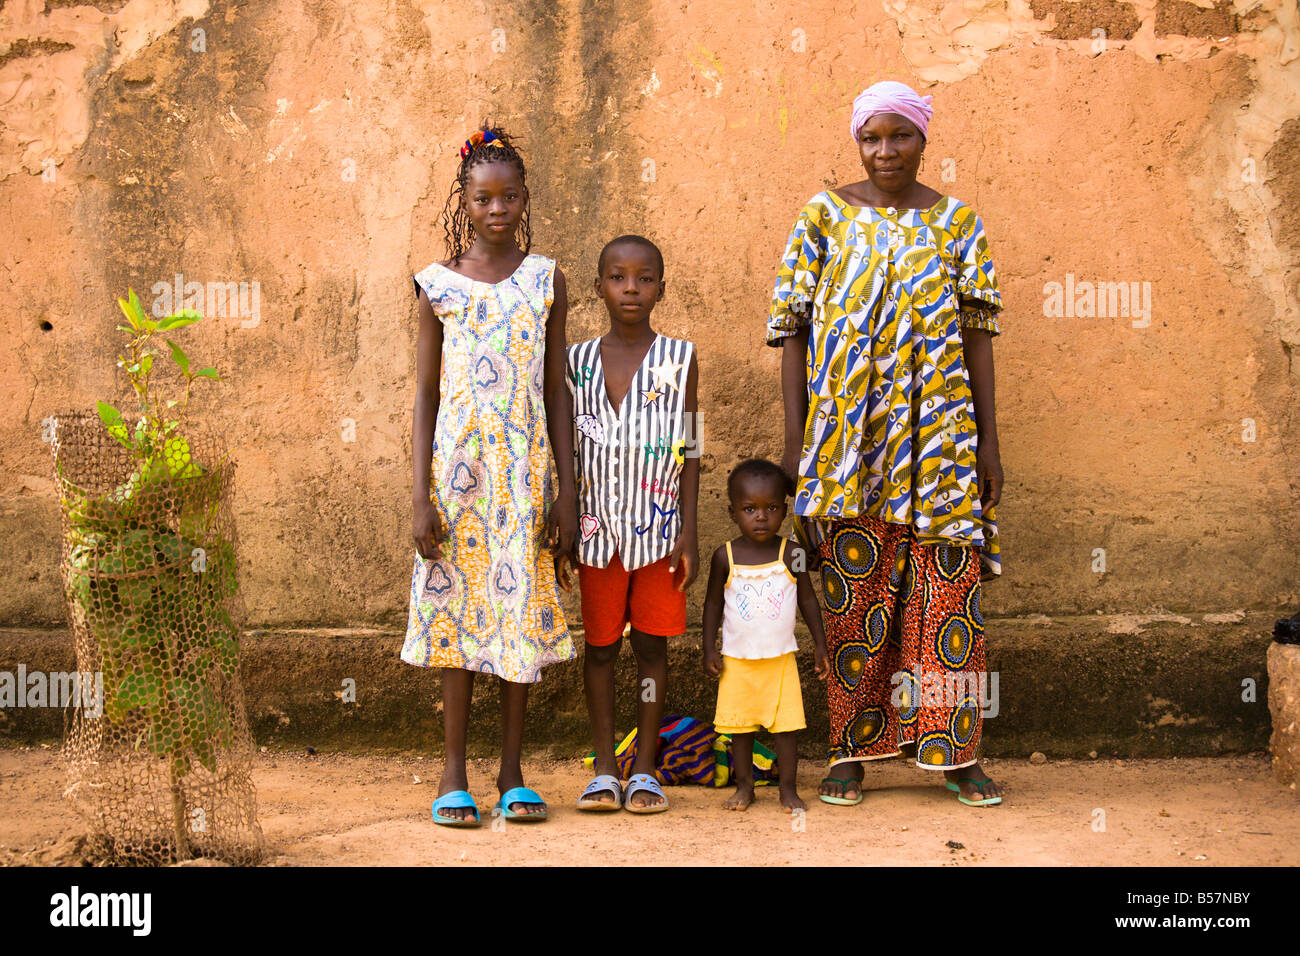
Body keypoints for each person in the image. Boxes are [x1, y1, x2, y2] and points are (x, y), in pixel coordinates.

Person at [768, 81, 1006, 808]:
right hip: (848, 445)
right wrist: (794, 442)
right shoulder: (823, 219)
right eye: (872, 137)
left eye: (899, 135)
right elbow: (793, 331)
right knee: (852, 597)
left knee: (946, 594)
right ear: (856, 142)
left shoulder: (958, 224)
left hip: (941, 443)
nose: (885, 151)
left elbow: (977, 334)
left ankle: (954, 753)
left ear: (923, 138)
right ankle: (851, 750)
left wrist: (988, 442)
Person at [404, 126, 577, 827]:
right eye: (484, 198)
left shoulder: (547, 280)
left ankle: (512, 770)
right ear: (465, 202)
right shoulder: (436, 285)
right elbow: (423, 395)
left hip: (525, 477)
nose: (497, 209)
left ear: (525, 199)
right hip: (459, 479)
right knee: (456, 618)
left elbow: (558, 388)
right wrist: (420, 494)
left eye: (509, 197)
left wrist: (567, 490)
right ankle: (453, 771)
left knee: (517, 619)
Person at [567, 235, 700, 814]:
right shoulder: (573, 362)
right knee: (599, 650)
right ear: (599, 286)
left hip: (658, 535)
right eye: (618, 277)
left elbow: (691, 449)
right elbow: (564, 449)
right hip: (596, 537)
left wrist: (689, 533)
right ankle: (603, 768)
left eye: (644, 279)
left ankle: (644, 769)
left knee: (651, 649)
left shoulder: (680, 358)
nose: (630, 288)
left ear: (660, 289)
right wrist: (564, 519)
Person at [701, 458, 829, 812]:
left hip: (780, 661)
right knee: (740, 730)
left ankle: (788, 789)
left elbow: (807, 599)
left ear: (784, 510)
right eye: (749, 509)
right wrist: (708, 648)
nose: (761, 516)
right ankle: (745, 787)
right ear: (732, 513)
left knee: (786, 729)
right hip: (737, 663)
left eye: (771, 508)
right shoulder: (723, 557)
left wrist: (820, 645)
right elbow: (712, 605)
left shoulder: (793, 554)